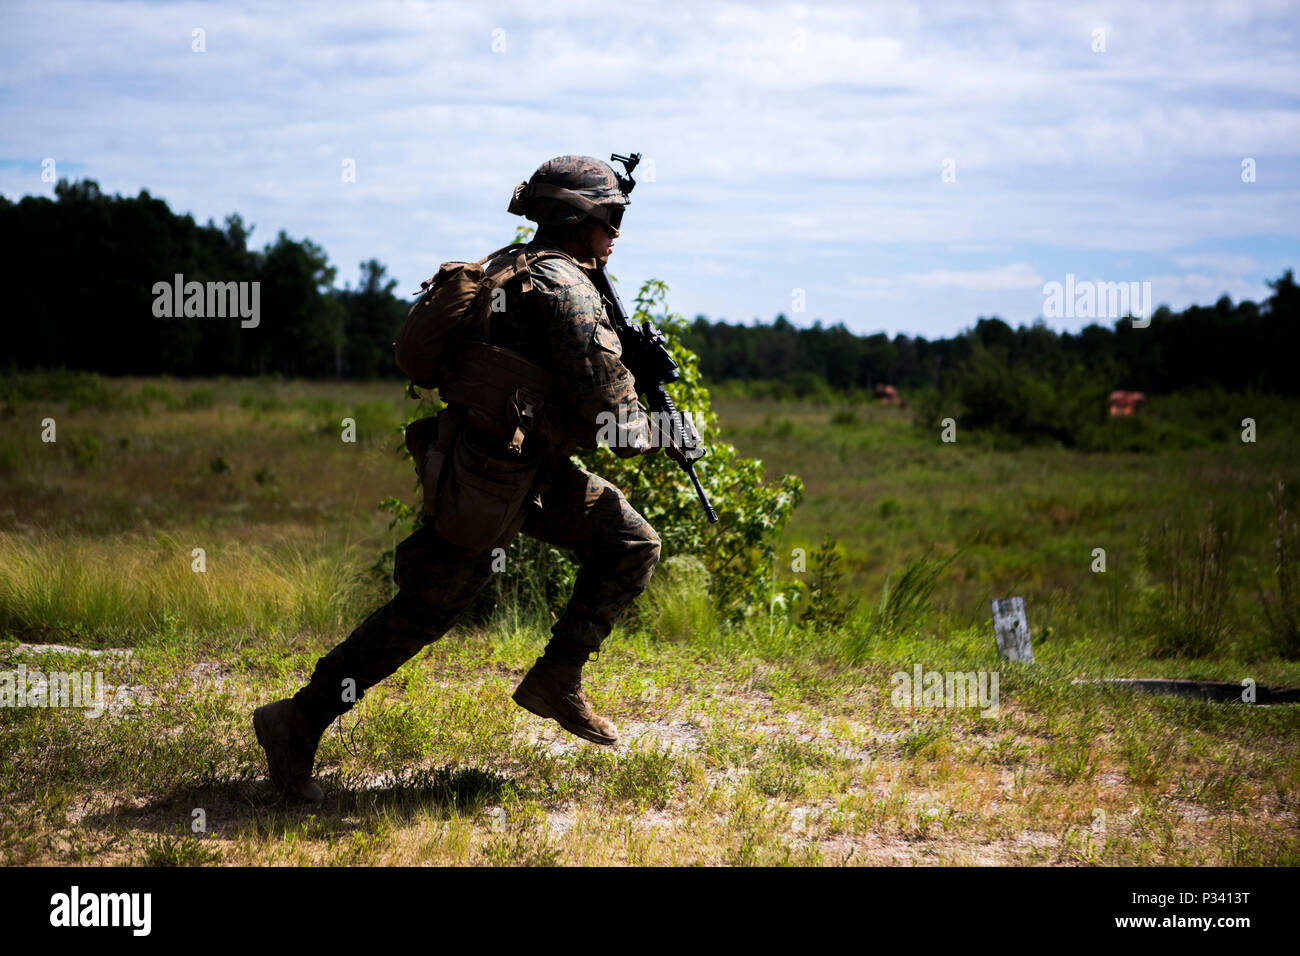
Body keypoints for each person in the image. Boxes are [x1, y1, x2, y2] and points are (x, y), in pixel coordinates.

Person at [253, 155, 672, 803]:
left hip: (507, 465)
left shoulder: (515, 264)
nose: (617, 232)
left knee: (629, 541)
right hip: (493, 479)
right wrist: (663, 426)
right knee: (424, 610)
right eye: (611, 217)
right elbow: (615, 418)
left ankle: (556, 677)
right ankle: (297, 720)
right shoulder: (567, 290)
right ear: (576, 216)